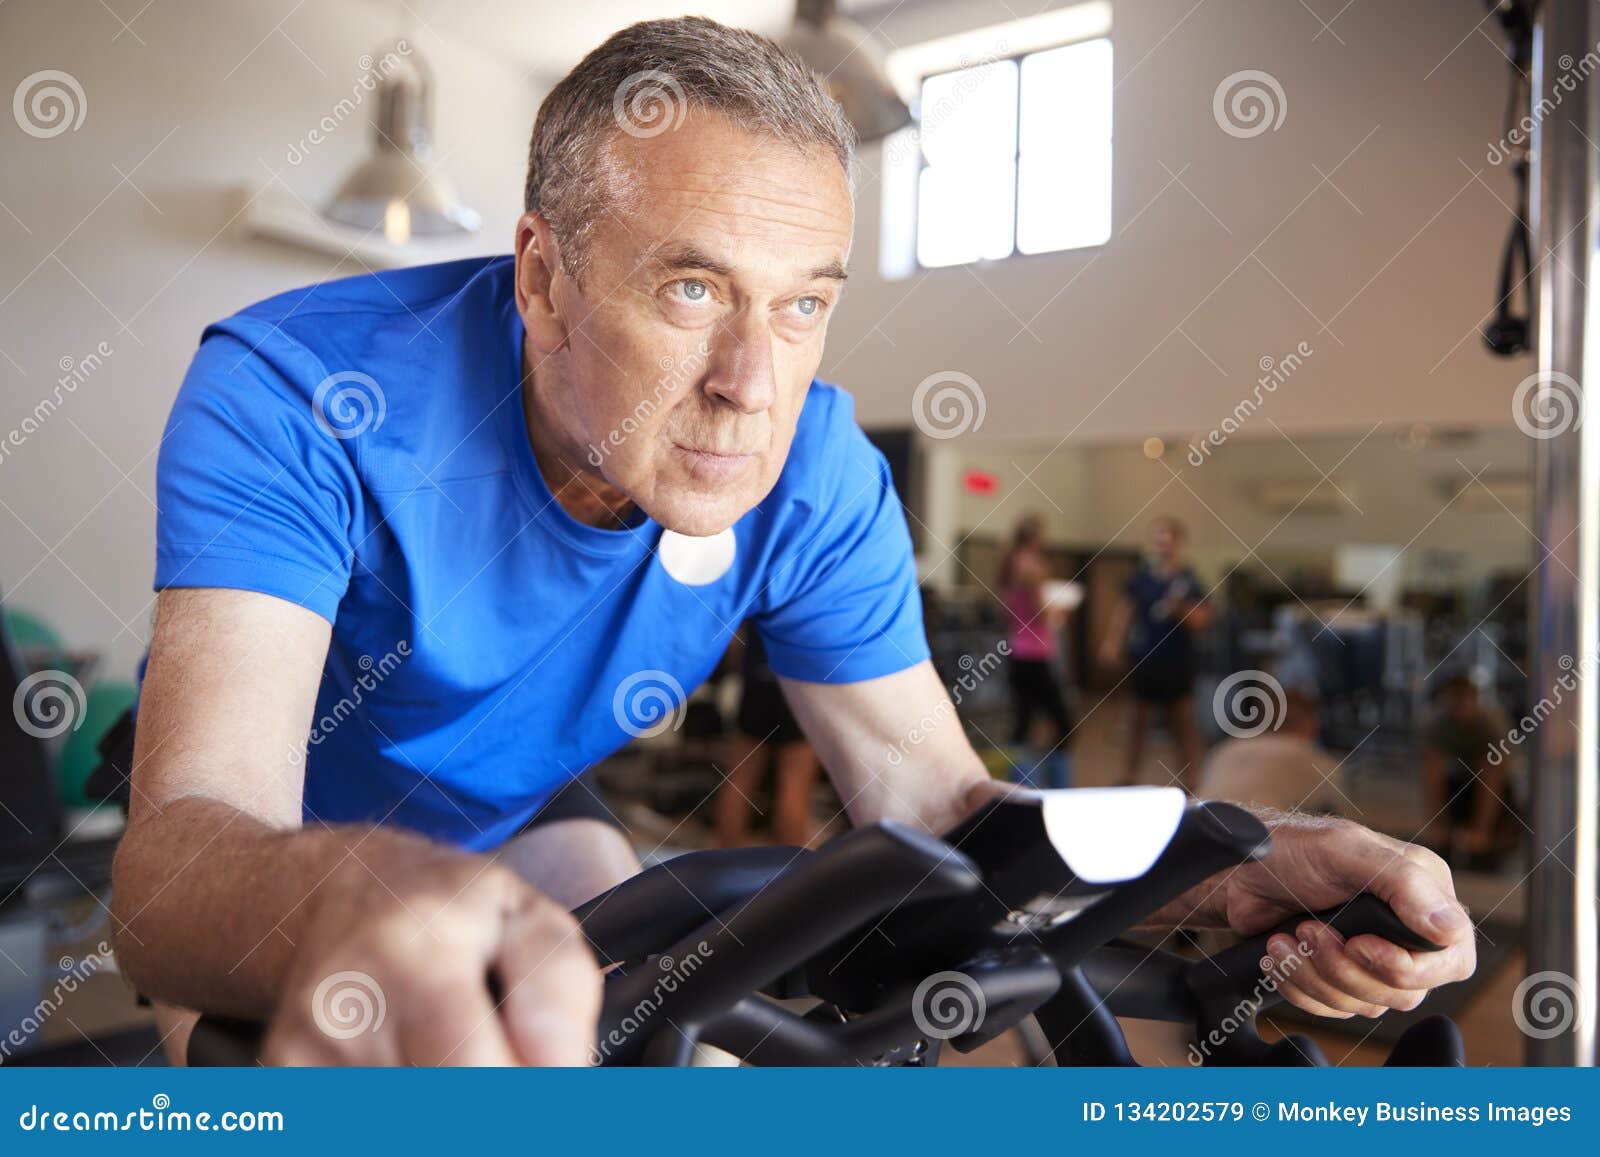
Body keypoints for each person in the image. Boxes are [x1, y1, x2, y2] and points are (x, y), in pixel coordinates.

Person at [111, 17, 1473, 1067]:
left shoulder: (817, 471)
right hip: (286, 837)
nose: (750, 383)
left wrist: (1238, 863)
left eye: (803, 304)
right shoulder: (300, 395)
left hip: (524, 815)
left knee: (635, 1009)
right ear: (542, 277)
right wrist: (352, 900)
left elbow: (941, 813)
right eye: (692, 288)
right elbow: (178, 855)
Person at [1101, 517, 1210, 793]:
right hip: (1145, 659)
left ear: (1178, 544)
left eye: (1168, 540)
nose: (1163, 546)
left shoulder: (1190, 581)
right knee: (1138, 720)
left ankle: (1191, 780)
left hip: (1176, 662)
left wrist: (1179, 609)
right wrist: (1113, 642)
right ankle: (1128, 775)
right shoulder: (1142, 579)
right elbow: (1124, 611)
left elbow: (1201, 621)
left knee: (1182, 724)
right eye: (1159, 540)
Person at [714, 628, 822, 848]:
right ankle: (793, 871)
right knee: (794, 787)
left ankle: (722, 862)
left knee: (739, 780)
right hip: (799, 688)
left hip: (757, 683)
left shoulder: (760, 594)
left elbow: (735, 645)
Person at [998, 515, 1073, 789]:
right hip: (1035, 655)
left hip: (1017, 653)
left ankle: (1019, 790)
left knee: (1022, 722)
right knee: (1065, 725)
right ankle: (1058, 791)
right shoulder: (1032, 566)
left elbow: (1008, 613)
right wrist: (1059, 613)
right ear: (1036, 538)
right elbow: (1040, 612)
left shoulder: (1008, 565)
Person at [1198, 690, 1341, 814]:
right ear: (1309, 722)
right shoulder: (1313, 758)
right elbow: (1346, 821)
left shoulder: (1224, 748)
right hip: (1254, 836)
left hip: (1196, 827)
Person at [1422, 675, 1511, 870]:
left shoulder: (1489, 725)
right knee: (1439, 775)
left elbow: (1494, 776)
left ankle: (1488, 835)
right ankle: (1454, 833)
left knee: (1491, 775)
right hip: (1460, 781)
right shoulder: (1439, 725)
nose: (1458, 707)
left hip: (1492, 784)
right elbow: (1432, 774)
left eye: (1463, 701)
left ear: (1475, 700)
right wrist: (1439, 823)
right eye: (1453, 701)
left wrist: (1482, 829)